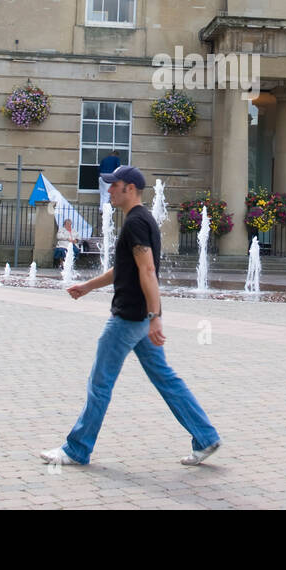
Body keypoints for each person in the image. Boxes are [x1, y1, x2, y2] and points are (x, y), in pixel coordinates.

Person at [40, 164, 221, 468]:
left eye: (114, 185)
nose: (109, 190)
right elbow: (124, 269)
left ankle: (77, 449)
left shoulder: (136, 223)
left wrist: (155, 316)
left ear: (130, 189)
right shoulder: (142, 220)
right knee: (166, 379)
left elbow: (147, 270)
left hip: (129, 317)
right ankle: (205, 437)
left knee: (100, 383)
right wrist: (86, 286)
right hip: (140, 317)